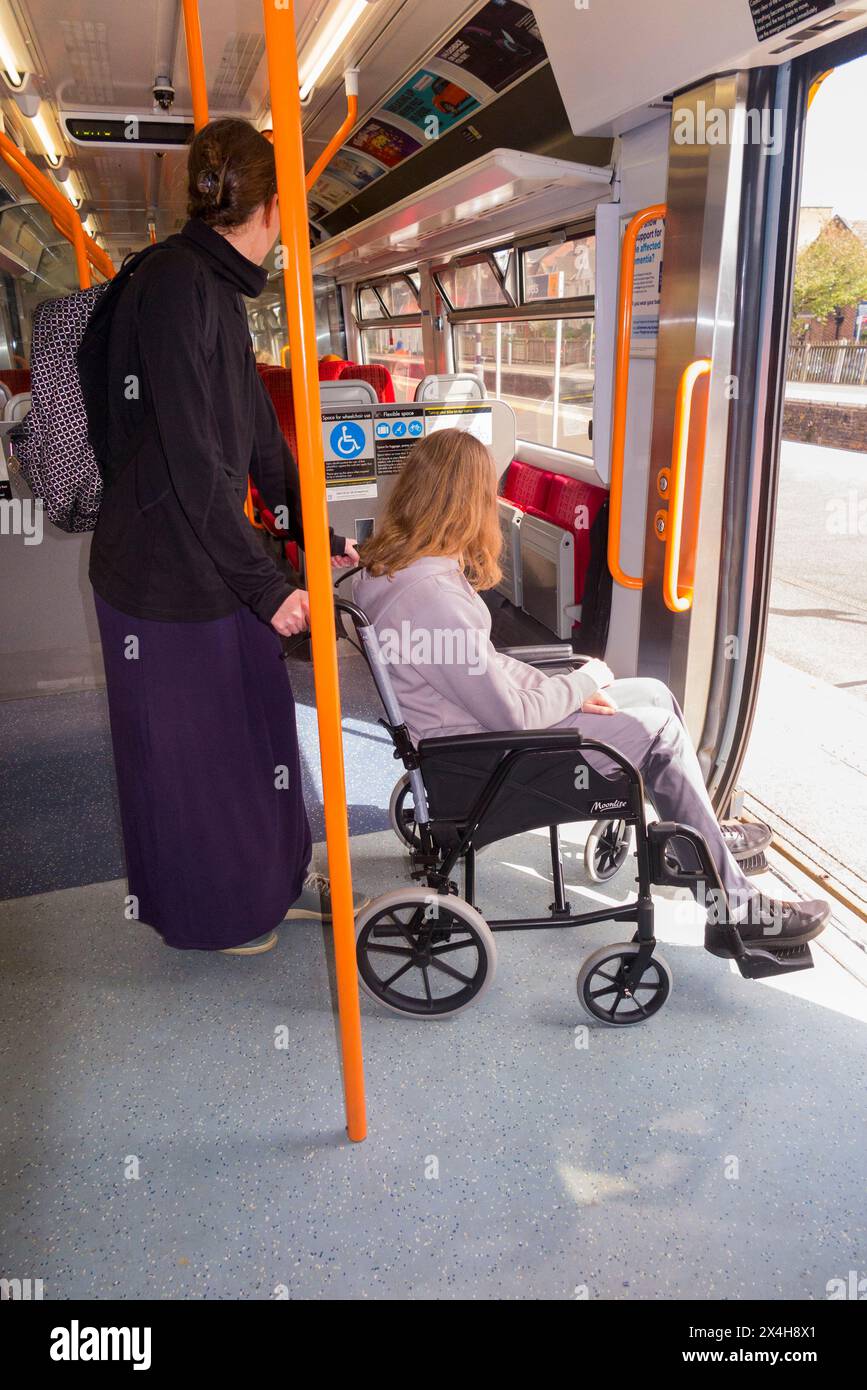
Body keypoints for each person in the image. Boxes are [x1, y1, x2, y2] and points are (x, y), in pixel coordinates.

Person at [352, 430, 829, 948]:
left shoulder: (391, 573)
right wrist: (581, 682)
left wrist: (566, 688)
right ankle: (732, 908)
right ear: (465, 503)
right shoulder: (433, 599)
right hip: (491, 759)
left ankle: (698, 836)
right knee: (659, 727)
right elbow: (508, 713)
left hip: (467, 742)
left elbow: (482, 672)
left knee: (652, 694)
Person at [80, 117, 360, 956]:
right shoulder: (175, 288)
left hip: (209, 556)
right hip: (162, 576)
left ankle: (269, 879)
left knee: (259, 727)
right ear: (272, 207)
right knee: (197, 756)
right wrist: (269, 586)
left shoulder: (212, 287)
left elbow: (254, 442)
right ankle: (217, 914)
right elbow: (197, 461)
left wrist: (311, 533)